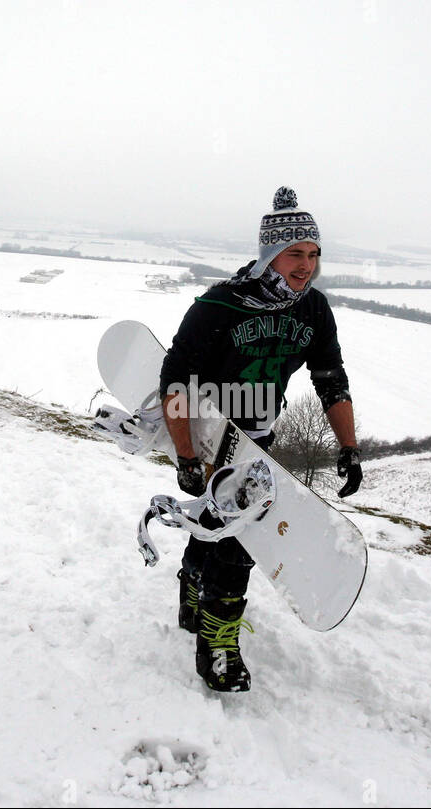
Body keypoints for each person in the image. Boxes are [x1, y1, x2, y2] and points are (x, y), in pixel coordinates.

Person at [158, 186, 363, 692]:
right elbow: (176, 377)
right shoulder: (219, 306)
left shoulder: (313, 310)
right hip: (211, 434)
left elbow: (330, 376)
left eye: (314, 254)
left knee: (225, 526)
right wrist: (186, 454)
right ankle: (218, 644)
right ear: (270, 255)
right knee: (239, 536)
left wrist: (349, 445)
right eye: (295, 253)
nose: (306, 265)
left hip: (258, 437)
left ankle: (194, 591)